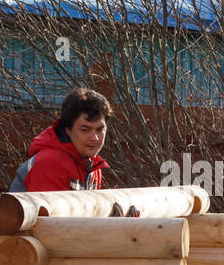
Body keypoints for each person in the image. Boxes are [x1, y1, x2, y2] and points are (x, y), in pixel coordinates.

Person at [9, 88, 139, 215]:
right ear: (67, 130)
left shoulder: (92, 165)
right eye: (85, 130)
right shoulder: (50, 163)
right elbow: (51, 227)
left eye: (100, 129)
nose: (94, 138)